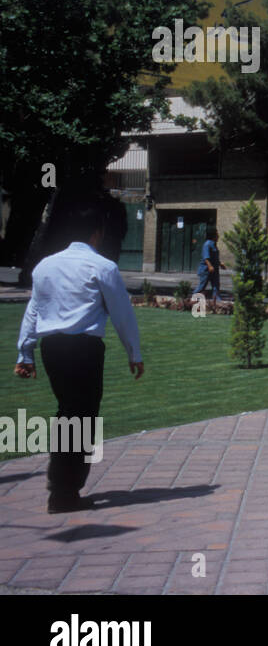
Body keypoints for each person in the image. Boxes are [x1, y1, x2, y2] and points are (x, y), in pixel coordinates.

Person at [15, 190, 144, 514]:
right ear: (96, 233)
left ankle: (62, 484)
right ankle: (63, 490)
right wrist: (134, 352)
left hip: (52, 349)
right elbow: (122, 312)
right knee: (81, 416)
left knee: (67, 412)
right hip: (84, 348)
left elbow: (34, 310)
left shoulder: (45, 266)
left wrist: (25, 353)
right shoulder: (102, 266)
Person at [196, 228, 226, 302]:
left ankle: (217, 300)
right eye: (217, 234)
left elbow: (214, 257)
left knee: (216, 285)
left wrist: (220, 264)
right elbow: (206, 257)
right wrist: (209, 266)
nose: (218, 236)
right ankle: (194, 297)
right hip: (206, 269)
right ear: (213, 235)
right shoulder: (207, 244)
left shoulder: (214, 245)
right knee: (202, 286)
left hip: (214, 269)